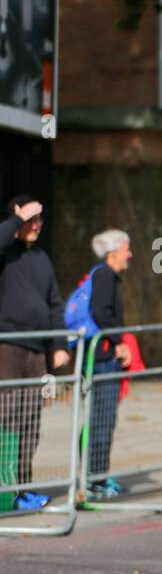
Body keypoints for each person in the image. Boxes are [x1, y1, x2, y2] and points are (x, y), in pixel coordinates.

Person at [0, 196, 70, 511]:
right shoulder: (6, 253)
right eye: (30, 219)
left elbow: (54, 303)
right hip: (8, 349)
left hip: (38, 353)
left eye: (39, 219)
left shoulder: (42, 259)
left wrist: (58, 346)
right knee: (6, 418)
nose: (36, 225)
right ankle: (5, 487)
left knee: (30, 420)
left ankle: (23, 488)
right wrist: (16, 221)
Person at [83, 230, 135, 500]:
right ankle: (93, 480)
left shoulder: (105, 276)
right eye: (127, 248)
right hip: (103, 359)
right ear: (113, 251)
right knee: (102, 420)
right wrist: (119, 342)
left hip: (104, 358)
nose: (130, 254)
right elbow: (100, 312)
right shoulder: (104, 275)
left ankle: (97, 476)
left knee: (103, 420)